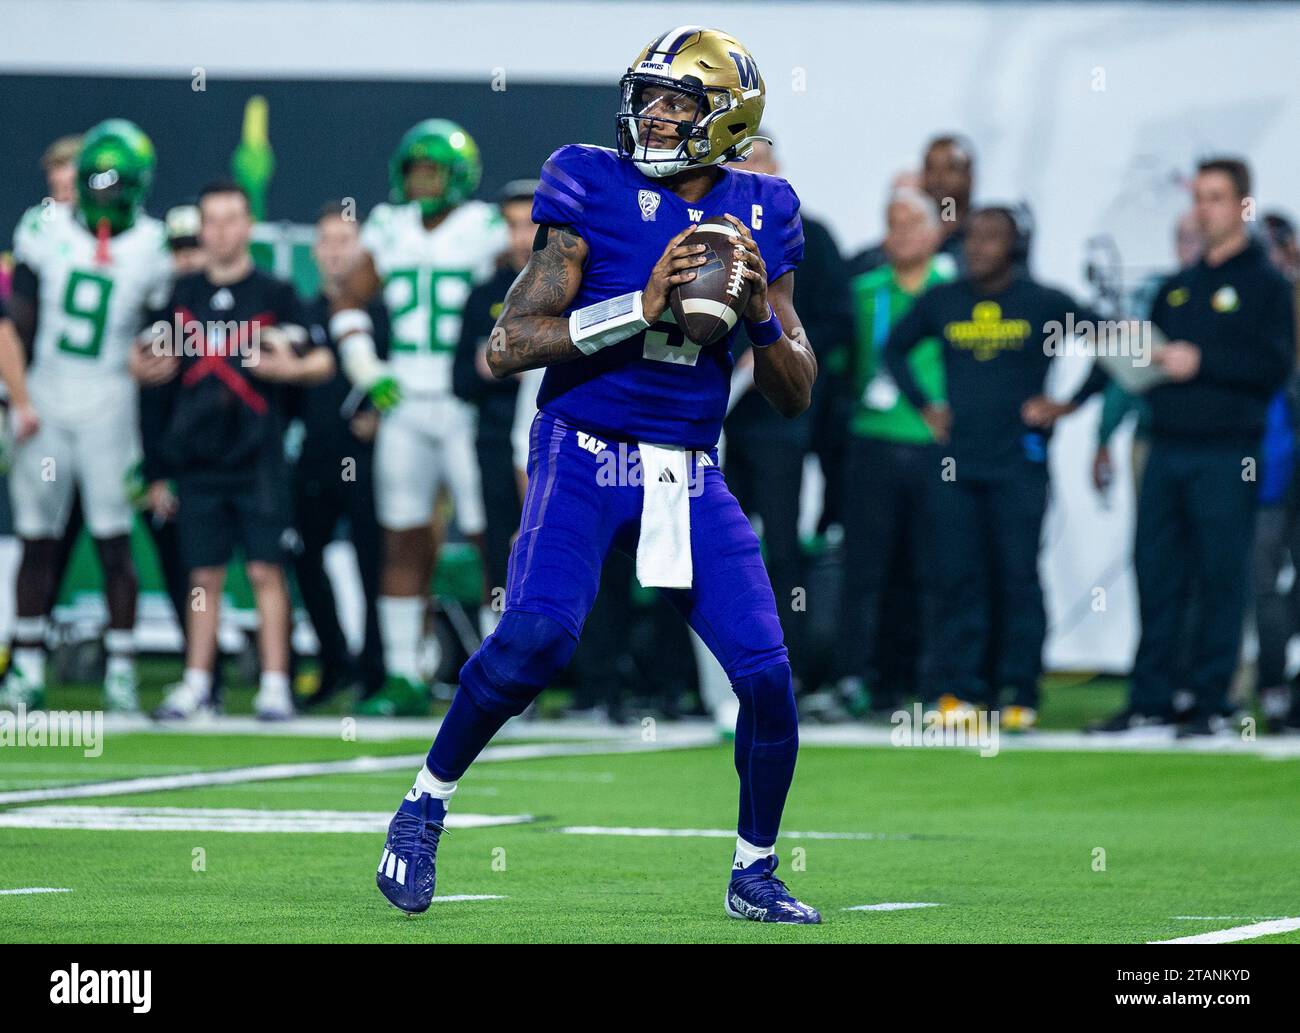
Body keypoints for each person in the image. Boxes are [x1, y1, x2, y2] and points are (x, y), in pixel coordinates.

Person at [347, 27, 821, 923]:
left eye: (678, 102)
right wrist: (636, 308)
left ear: (728, 119)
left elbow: (795, 389)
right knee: (536, 642)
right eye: (649, 96)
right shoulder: (589, 180)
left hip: (687, 465)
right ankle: (423, 804)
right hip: (585, 446)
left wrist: (760, 311)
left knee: (765, 674)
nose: (654, 114)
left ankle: (754, 870)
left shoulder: (767, 205)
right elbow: (507, 344)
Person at [1094, 159, 1295, 736]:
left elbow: (1272, 365)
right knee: (1156, 572)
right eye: (1198, 197)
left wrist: (1202, 361)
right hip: (1166, 445)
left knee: (1220, 575)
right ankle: (1152, 695)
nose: (1203, 208)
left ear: (1242, 207)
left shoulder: (1265, 285)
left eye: (1216, 198)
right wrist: (1139, 355)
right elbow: (1149, 357)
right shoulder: (1177, 287)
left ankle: (1212, 700)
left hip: (1229, 452)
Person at [884, 206, 1104, 730]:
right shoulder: (943, 300)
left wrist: (1067, 405)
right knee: (959, 576)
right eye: (974, 237)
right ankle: (960, 689)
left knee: (1017, 577)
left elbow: (1112, 344)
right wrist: (924, 405)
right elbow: (893, 348)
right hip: (957, 466)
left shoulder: (1044, 302)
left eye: (992, 238)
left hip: (1019, 464)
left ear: (1016, 247)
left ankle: (1019, 690)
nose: (978, 247)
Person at [329, 120, 506, 717]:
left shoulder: (484, 230)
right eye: (415, 171)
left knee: (489, 536)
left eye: (433, 170)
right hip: (404, 399)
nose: (423, 181)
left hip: (465, 404)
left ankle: (500, 672)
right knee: (401, 535)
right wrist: (362, 364)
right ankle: (405, 673)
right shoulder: (389, 226)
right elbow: (347, 296)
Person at [139, 182, 334, 721]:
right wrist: (141, 368)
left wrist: (292, 367)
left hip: (259, 457)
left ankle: (275, 684)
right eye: (212, 221)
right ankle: (197, 682)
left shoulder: (275, 293)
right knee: (203, 576)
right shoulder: (178, 294)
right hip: (198, 459)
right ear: (200, 228)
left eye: (231, 220)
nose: (221, 231)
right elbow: (147, 369)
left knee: (267, 572)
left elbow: (322, 360)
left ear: (249, 227)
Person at [1, 120, 173, 713]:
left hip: (110, 403)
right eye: (93, 181)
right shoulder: (44, 229)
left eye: (111, 182)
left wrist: (156, 349)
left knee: (112, 543)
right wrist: (16, 398)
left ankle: (121, 668)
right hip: (46, 398)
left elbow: (160, 329)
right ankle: (26, 664)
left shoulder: (152, 245)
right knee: (37, 540)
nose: (100, 194)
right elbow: (16, 320)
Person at [724, 137, 852, 686]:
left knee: (780, 544)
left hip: (780, 418)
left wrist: (770, 347)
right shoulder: (703, 233)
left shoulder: (807, 235)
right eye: (739, 162)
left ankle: (788, 666)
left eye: (757, 161)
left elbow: (834, 323)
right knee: (705, 545)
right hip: (713, 417)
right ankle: (696, 675)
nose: (748, 171)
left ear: (776, 170)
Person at [840, 187, 954, 716]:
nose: (901, 232)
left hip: (935, 446)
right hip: (872, 438)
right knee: (867, 569)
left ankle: (934, 680)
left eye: (912, 222)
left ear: (935, 232)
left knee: (935, 568)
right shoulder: (863, 290)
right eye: (892, 222)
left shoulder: (957, 290)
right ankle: (863, 679)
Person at [292, 202, 390, 707]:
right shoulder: (302, 311)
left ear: (362, 250)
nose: (334, 251)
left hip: (368, 458)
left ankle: (375, 669)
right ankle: (333, 660)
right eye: (326, 242)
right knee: (304, 557)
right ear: (314, 251)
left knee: (375, 561)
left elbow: (396, 378)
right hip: (314, 457)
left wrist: (379, 410)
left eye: (344, 241)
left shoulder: (380, 311)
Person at [452, 180, 536, 631]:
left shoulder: (577, 286)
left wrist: (509, 360)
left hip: (558, 435)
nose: (522, 236)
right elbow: (461, 378)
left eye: (530, 224)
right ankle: (497, 657)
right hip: (494, 439)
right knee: (500, 542)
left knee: (556, 543)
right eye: (511, 225)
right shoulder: (486, 294)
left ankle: (580, 672)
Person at [849, 134, 975, 277]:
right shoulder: (888, 249)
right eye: (930, 168)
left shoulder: (979, 235)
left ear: (970, 176)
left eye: (951, 168)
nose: (939, 177)